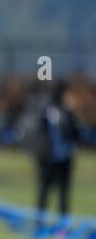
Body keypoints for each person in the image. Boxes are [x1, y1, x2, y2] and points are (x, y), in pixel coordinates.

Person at [25, 81, 80, 216]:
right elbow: (37, 132)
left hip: (63, 157)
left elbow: (74, 133)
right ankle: (41, 223)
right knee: (45, 190)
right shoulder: (49, 110)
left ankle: (60, 225)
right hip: (48, 157)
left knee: (62, 192)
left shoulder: (66, 111)